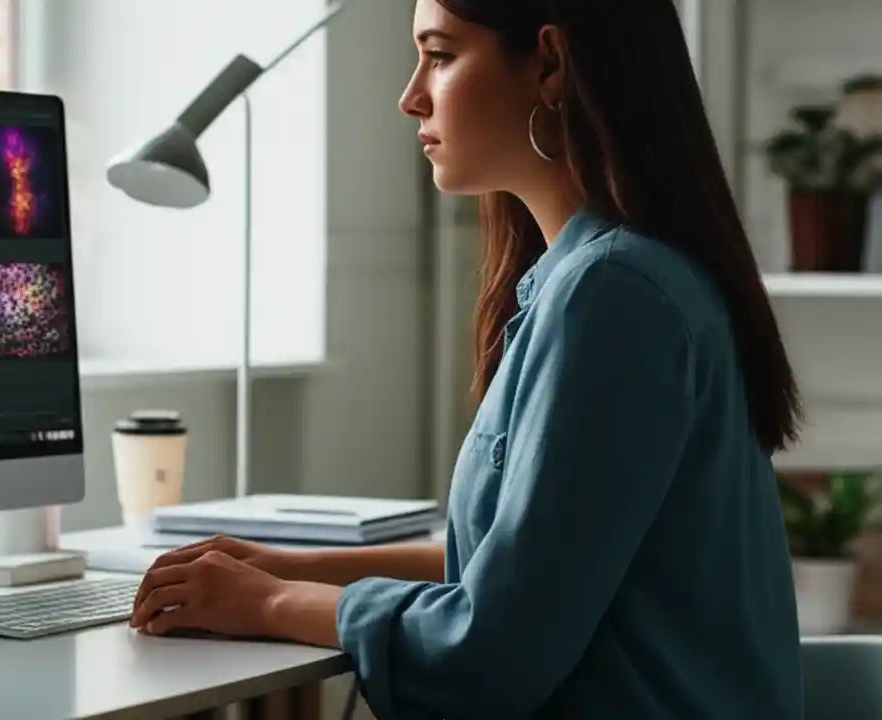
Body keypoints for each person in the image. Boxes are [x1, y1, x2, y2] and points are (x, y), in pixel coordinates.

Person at [129, 0, 805, 717]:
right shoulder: (616, 276)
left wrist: (272, 601)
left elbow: (492, 649)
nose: (410, 93)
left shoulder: (613, 295)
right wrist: (288, 567)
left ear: (550, 63)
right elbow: (530, 569)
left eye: (441, 55)